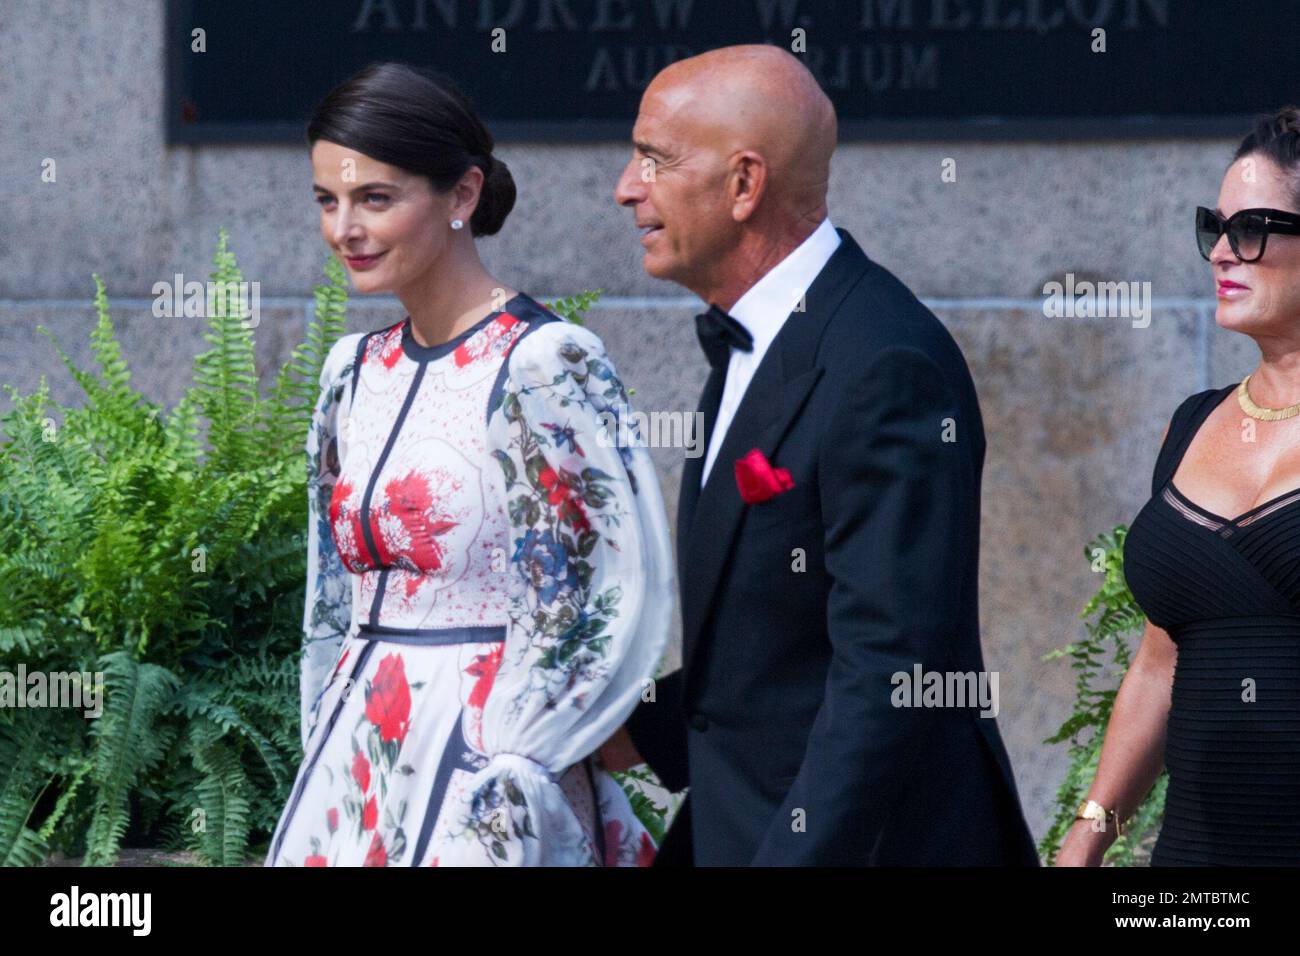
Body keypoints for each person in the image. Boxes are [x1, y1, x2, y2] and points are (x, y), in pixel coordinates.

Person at [600, 45, 1038, 865]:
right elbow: (773, 652)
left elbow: (888, 675)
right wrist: (601, 732)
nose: (627, 187)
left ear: (743, 184)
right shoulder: (762, 338)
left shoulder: (884, 363)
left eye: (652, 158)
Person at [265, 62, 676, 866]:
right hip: (360, 760)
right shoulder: (351, 372)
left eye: (375, 198)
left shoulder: (545, 363)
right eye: (327, 200)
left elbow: (596, 596)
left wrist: (523, 762)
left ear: (461, 196)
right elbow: (331, 599)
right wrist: (325, 731)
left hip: (495, 772)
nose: (344, 227)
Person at [1058, 106, 1300, 867]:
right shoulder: (1191, 425)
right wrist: (1088, 835)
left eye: (1252, 227)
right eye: (1215, 228)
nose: (1223, 253)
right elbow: (1160, 664)